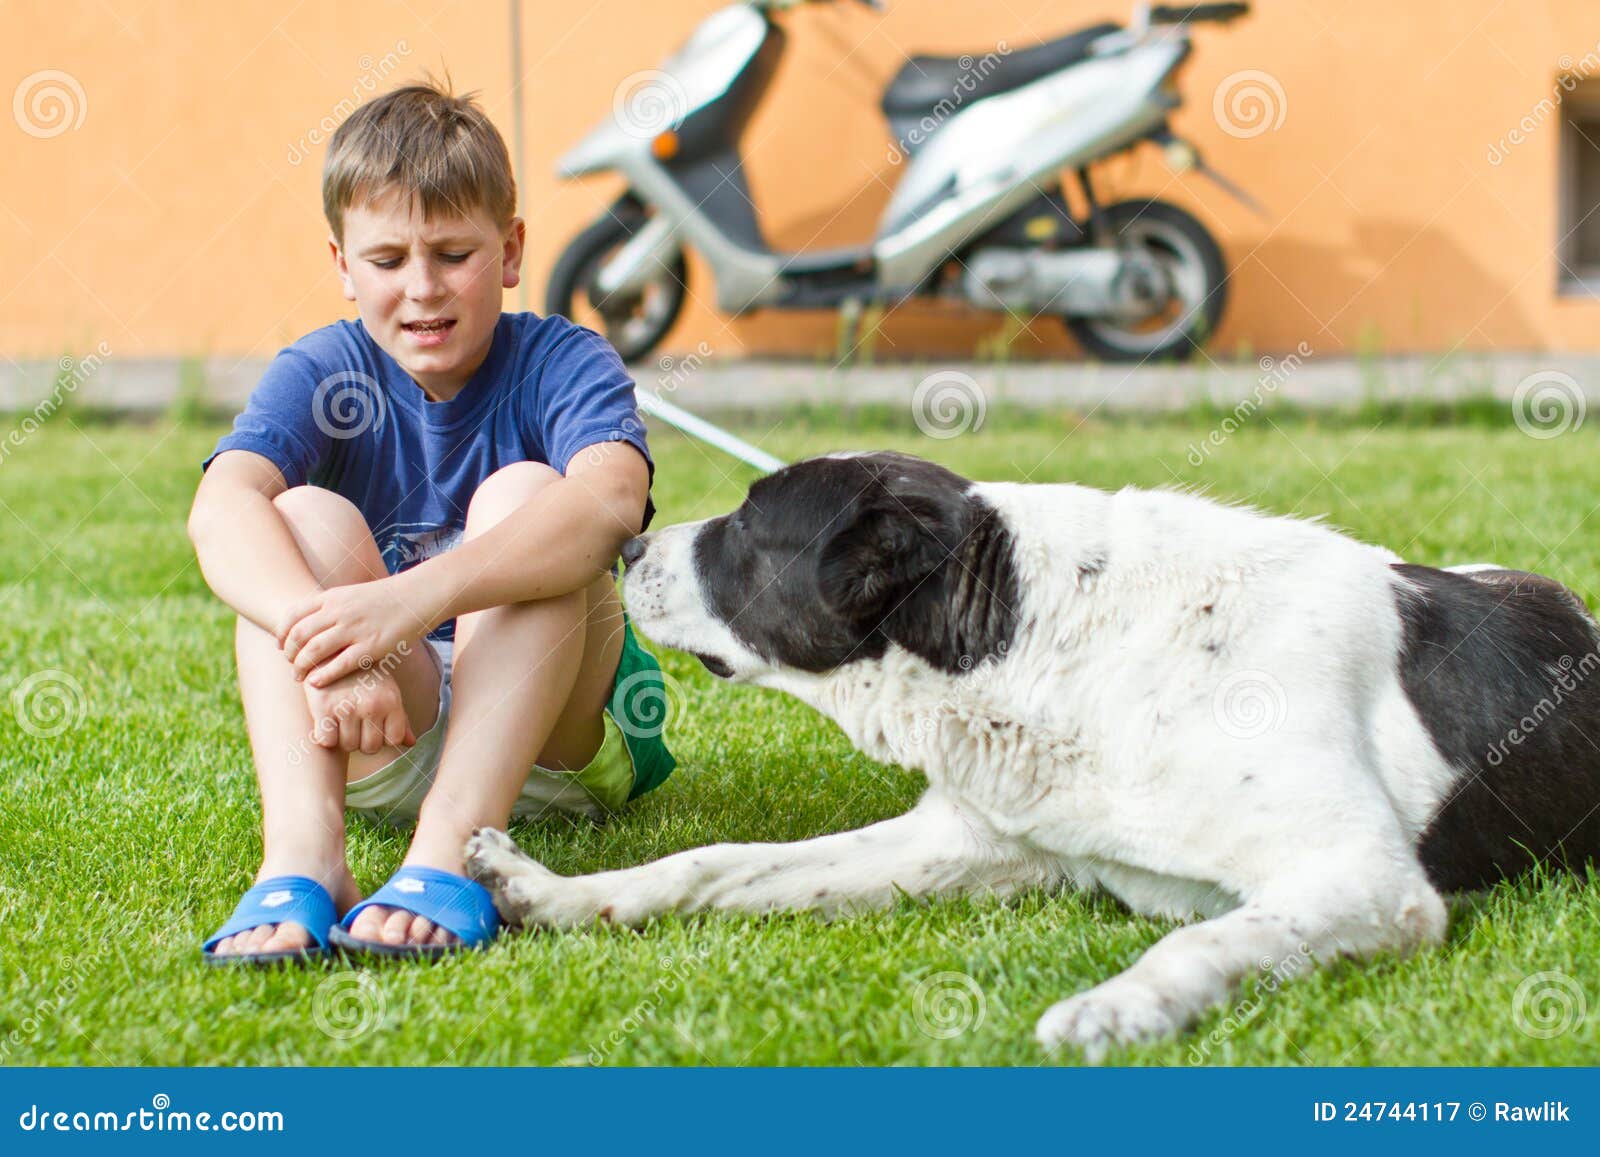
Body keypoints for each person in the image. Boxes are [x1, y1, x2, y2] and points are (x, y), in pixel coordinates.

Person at [188, 80, 674, 964]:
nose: (421, 289)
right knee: (293, 515)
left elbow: (608, 502)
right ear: (341, 264)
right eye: (386, 261)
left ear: (512, 248)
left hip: (552, 748)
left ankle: (451, 850)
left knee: (529, 495)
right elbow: (219, 508)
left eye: (454, 253)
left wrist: (402, 605)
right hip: (382, 726)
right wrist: (336, 643)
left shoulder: (563, 359)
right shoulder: (321, 369)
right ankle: (303, 851)